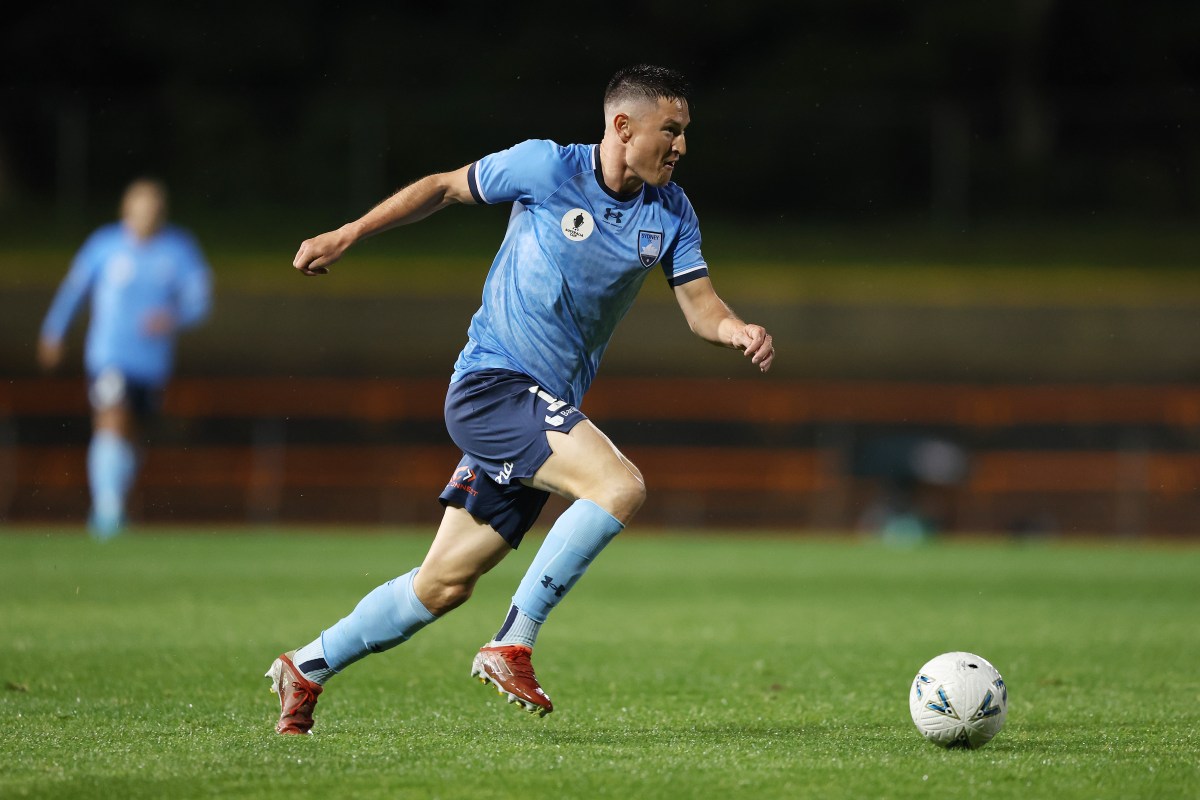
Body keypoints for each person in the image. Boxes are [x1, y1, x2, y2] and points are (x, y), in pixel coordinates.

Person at [266, 64, 775, 734]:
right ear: (623, 127)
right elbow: (444, 188)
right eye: (670, 131)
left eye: (685, 133)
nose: (681, 146)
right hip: (493, 387)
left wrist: (735, 328)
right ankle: (513, 641)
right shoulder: (544, 168)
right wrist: (349, 233)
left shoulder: (671, 213)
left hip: (540, 412)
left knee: (442, 585)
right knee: (618, 487)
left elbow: (701, 307)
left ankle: (305, 667)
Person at [38, 178, 213, 538]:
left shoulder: (179, 249)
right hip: (108, 356)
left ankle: (114, 502)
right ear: (126, 210)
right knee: (112, 419)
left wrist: (173, 316)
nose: (147, 215)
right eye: (141, 207)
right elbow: (75, 291)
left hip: (152, 364)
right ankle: (107, 510)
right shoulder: (104, 246)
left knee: (133, 435)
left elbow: (200, 302)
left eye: (154, 209)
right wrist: (54, 331)